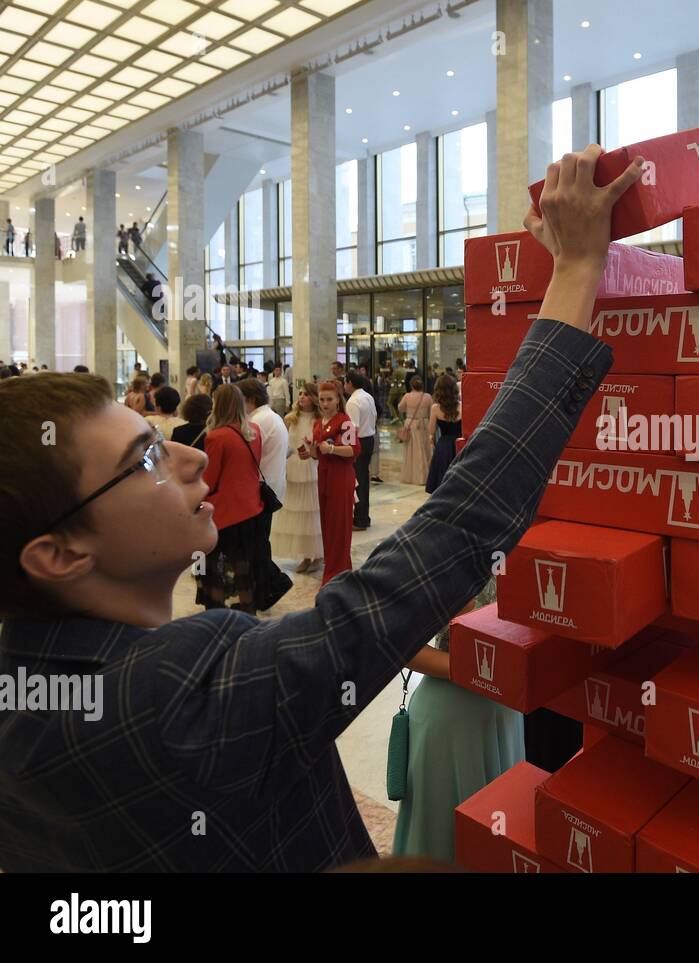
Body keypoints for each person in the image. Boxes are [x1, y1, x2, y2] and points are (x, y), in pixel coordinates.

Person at [0, 142, 636, 871]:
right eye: (143, 458)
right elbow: (451, 533)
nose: (191, 455)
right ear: (57, 553)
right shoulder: (176, 695)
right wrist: (580, 268)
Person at [392, 578, 524, 863]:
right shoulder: (440, 546)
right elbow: (397, 640)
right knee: (442, 838)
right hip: (451, 714)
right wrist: (469, 667)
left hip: (505, 708)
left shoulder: (522, 542)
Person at [195, 384, 264, 614]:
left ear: (218, 404)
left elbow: (209, 481)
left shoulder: (217, 437)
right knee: (244, 566)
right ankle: (247, 609)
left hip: (225, 513)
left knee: (213, 568)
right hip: (251, 507)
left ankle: (214, 611)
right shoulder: (254, 430)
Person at [237, 378, 292, 612]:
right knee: (258, 541)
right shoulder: (272, 417)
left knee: (255, 544)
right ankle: (263, 592)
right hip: (271, 486)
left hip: (260, 489)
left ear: (249, 399)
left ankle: (275, 583)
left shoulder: (258, 421)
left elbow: (247, 457)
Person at [308, 380, 358, 586]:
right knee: (328, 525)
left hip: (341, 476)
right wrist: (309, 449)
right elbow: (316, 454)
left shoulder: (344, 421)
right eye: (322, 399)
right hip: (324, 475)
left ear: (338, 399)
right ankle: (332, 567)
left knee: (339, 525)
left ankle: (338, 571)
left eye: (329, 399)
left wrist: (332, 449)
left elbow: (352, 451)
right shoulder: (318, 422)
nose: (325, 403)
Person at [273, 384, 324, 574]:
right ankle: (305, 555)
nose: (301, 397)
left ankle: (318, 554)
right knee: (297, 513)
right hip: (293, 468)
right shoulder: (290, 419)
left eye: (306, 394)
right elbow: (285, 444)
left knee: (312, 512)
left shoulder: (319, 420)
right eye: (300, 394)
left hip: (312, 467)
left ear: (314, 397)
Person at [343, 371, 377, 528]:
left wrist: (345, 447)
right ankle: (364, 516)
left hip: (359, 441)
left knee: (358, 480)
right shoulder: (367, 396)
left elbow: (353, 427)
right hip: (369, 438)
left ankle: (360, 518)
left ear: (350, 383)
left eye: (345, 382)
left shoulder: (353, 402)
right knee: (363, 478)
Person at [424, 373, 462, 494]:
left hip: (443, 446)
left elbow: (431, 431)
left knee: (440, 481)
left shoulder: (435, 408)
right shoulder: (462, 407)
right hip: (459, 445)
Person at [397, 376, 434, 485]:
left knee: (411, 451)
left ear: (411, 385)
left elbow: (400, 408)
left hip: (410, 424)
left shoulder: (407, 396)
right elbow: (431, 409)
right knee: (423, 449)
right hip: (424, 424)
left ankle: (411, 476)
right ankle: (424, 477)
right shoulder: (427, 397)